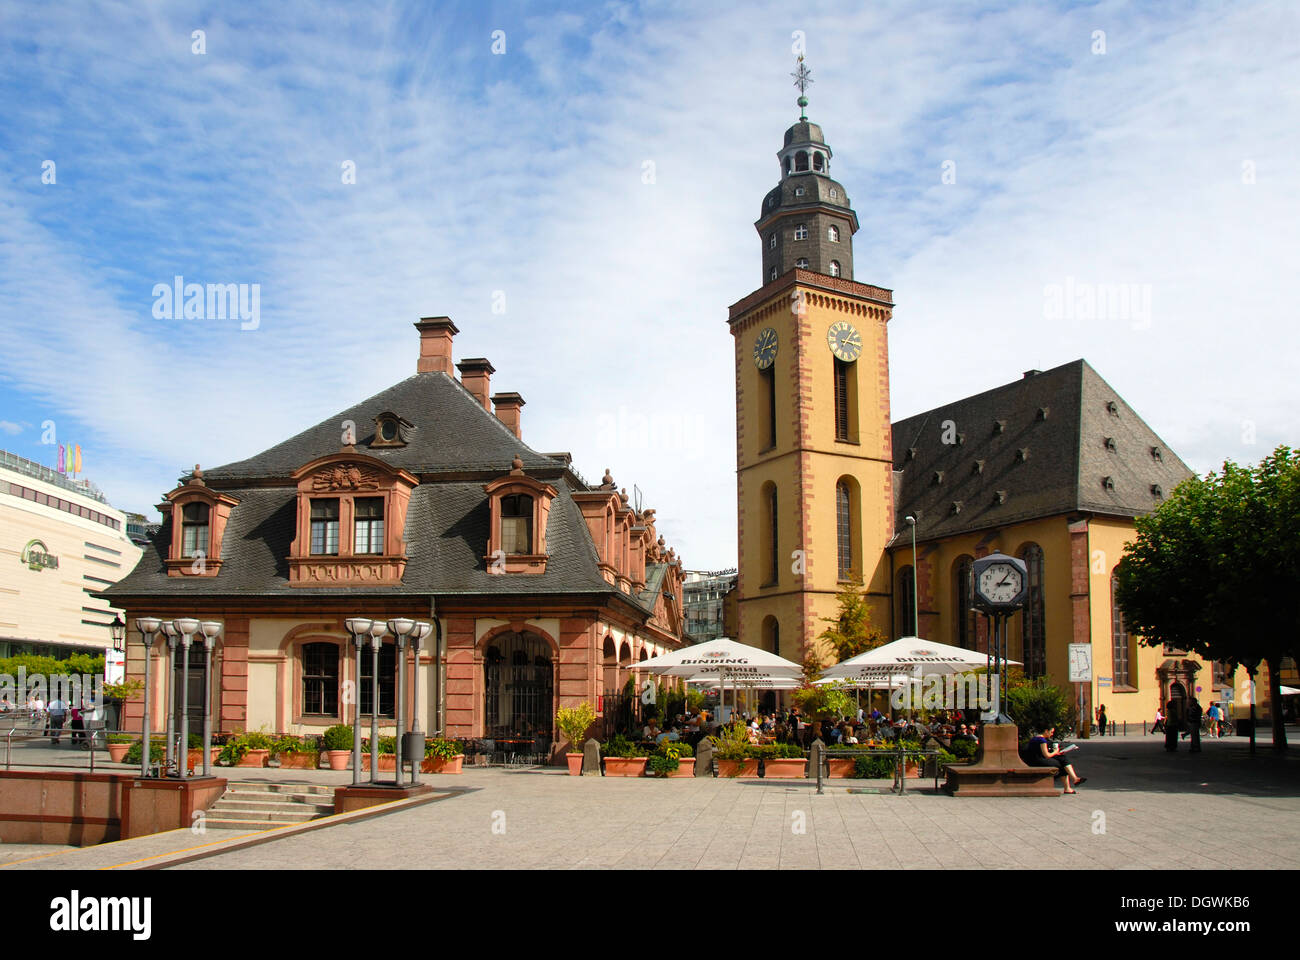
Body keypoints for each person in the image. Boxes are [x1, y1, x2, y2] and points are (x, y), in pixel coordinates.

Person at [1021, 726, 1086, 793]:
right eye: (1051, 732)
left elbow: (1040, 753)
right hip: (1038, 761)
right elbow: (1047, 755)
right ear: (1046, 731)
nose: (1052, 734)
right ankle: (1070, 785)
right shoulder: (1042, 740)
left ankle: (1073, 781)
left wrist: (1056, 753)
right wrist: (1055, 751)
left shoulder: (1035, 738)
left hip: (1033, 760)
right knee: (1062, 764)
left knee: (1062, 758)